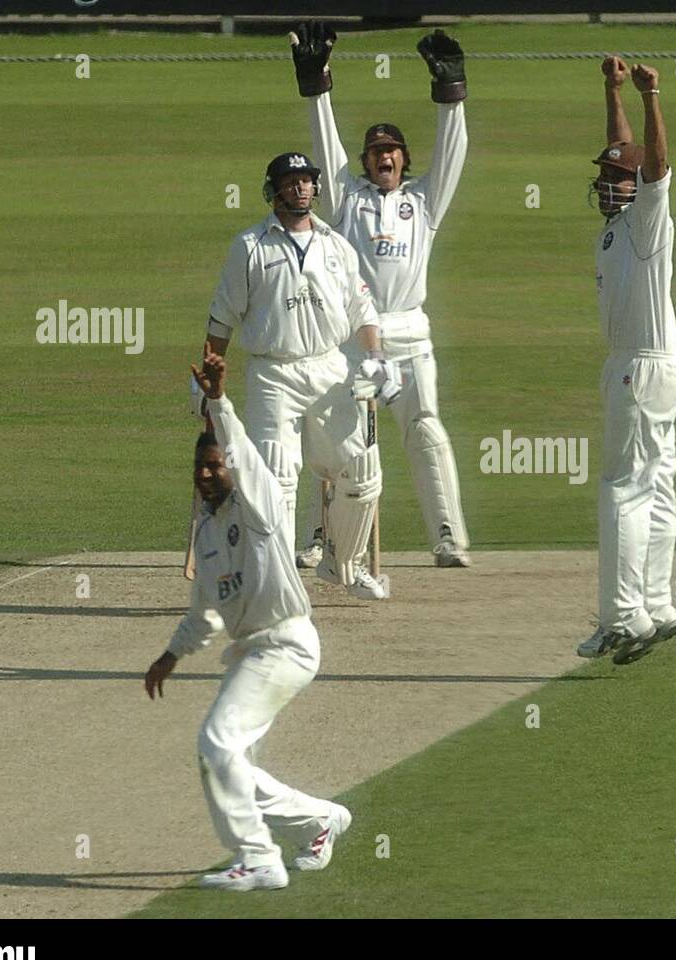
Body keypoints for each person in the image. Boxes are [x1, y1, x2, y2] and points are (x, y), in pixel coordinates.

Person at [148, 346, 352, 892]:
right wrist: (170, 654)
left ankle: (259, 857)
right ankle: (318, 820)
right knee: (223, 759)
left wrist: (217, 400)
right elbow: (205, 612)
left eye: (215, 465)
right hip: (251, 652)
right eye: (201, 468)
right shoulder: (209, 533)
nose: (209, 473)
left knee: (216, 742)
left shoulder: (255, 504)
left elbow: (239, 450)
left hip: (286, 644)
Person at [288, 22, 474, 570]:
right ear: (366, 161)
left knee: (425, 430)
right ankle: (321, 536)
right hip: (353, 338)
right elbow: (327, 145)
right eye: (375, 151)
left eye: (392, 150)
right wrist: (317, 83)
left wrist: (452, 93)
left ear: (403, 157)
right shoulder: (347, 196)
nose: (383, 157)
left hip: (411, 335)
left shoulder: (425, 201)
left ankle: (446, 536)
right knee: (335, 437)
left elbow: (453, 151)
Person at [200, 150, 400, 600]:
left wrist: (376, 357)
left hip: (329, 367)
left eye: (307, 180)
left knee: (363, 471)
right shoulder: (249, 246)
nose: (301, 187)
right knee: (275, 478)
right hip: (273, 372)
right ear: (273, 191)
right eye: (291, 181)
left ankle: (342, 565)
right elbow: (221, 321)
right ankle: (276, 585)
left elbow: (362, 309)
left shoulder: (336, 245)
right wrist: (208, 391)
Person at [576, 58, 676, 665]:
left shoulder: (647, 218)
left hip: (639, 369)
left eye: (614, 178)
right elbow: (625, 149)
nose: (606, 181)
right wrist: (613, 91)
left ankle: (623, 618)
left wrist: (652, 96)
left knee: (622, 489)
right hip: (658, 367)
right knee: (657, 485)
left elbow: (654, 165)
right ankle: (657, 602)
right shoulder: (619, 223)